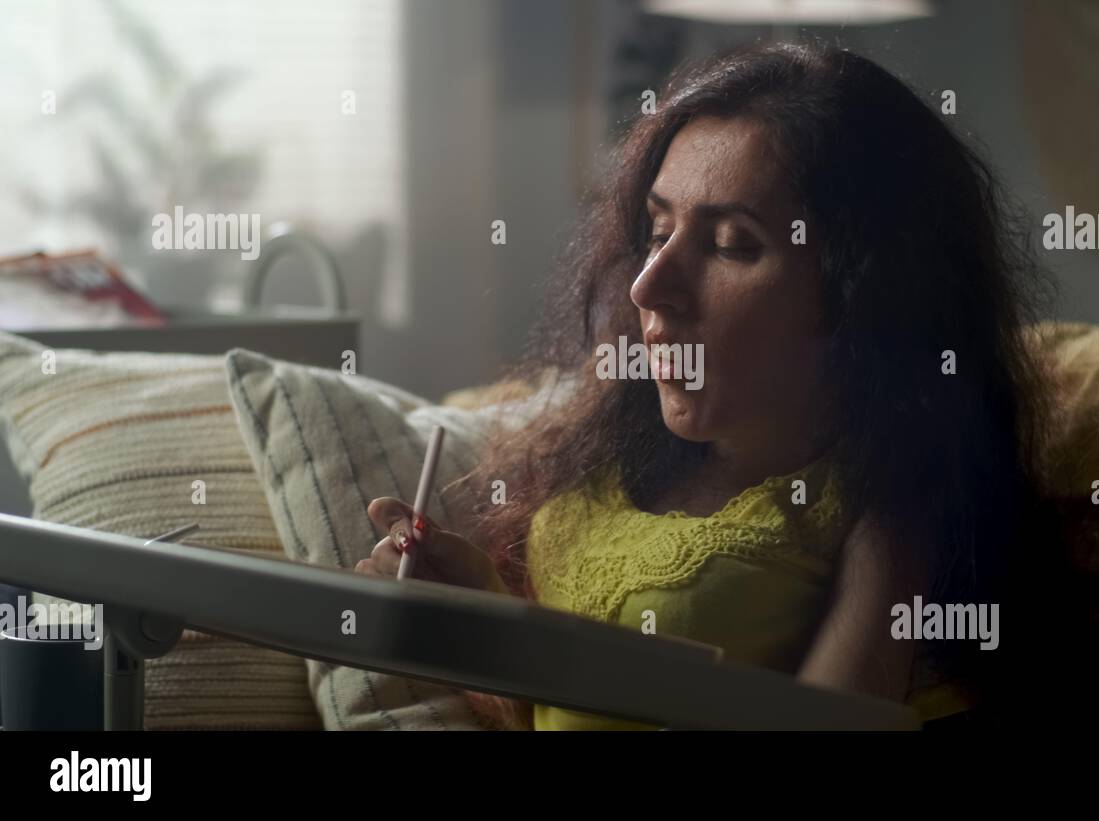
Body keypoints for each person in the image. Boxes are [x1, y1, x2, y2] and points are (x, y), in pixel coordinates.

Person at [355, 39, 1059, 731]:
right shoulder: (618, 460)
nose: (648, 286)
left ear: (862, 293)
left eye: (731, 245)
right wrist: (476, 609)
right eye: (658, 232)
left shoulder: (882, 507)